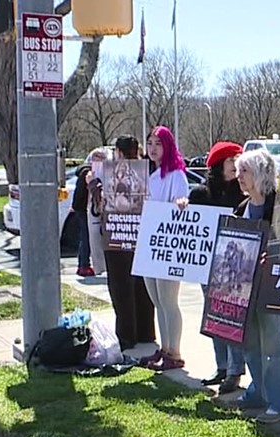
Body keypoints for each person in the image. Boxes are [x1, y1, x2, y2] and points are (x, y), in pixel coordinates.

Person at [232, 149, 280, 424]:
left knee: (274, 344)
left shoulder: (279, 208)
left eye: (244, 171)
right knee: (250, 343)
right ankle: (258, 392)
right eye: (238, 171)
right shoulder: (240, 208)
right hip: (244, 287)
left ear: (261, 173)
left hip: (271, 287)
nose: (239, 176)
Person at [189, 141, 248, 393]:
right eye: (231, 161)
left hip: (234, 267)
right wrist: (182, 208)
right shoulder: (200, 194)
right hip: (208, 264)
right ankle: (221, 366)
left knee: (232, 317)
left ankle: (235, 372)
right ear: (217, 164)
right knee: (215, 317)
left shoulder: (243, 193)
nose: (236, 166)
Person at [89, 135, 156, 351]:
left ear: (118, 151)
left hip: (117, 233)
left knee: (120, 286)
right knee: (141, 285)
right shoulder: (148, 170)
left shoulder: (110, 172)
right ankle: (146, 331)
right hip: (142, 233)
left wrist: (92, 184)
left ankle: (126, 335)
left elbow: (101, 206)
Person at [140, 126, 191, 371]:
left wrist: (182, 203)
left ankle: (176, 351)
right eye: (150, 144)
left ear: (168, 146)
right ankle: (165, 346)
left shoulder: (177, 175)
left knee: (169, 300)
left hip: (168, 245)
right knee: (157, 300)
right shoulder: (152, 176)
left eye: (158, 144)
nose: (152, 148)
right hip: (150, 243)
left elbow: (182, 202)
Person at [71, 149, 104, 277]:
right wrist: (77, 207)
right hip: (84, 209)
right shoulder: (87, 172)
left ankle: (84, 263)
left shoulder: (88, 171)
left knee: (87, 236)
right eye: (98, 158)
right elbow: (80, 192)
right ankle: (83, 265)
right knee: (86, 236)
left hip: (85, 208)